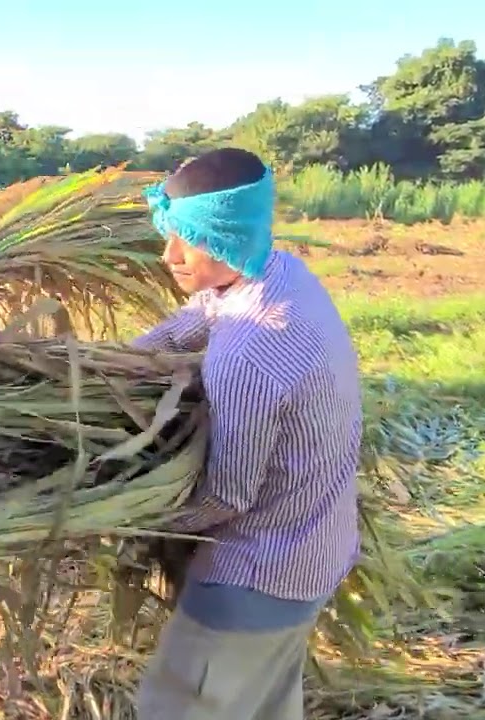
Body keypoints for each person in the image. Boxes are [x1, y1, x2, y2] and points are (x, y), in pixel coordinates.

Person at [130, 148, 361, 720]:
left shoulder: (248, 352)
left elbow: (226, 497)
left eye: (188, 239)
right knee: (262, 706)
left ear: (227, 237)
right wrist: (98, 367)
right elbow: (198, 317)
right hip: (314, 549)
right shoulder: (280, 274)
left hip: (255, 576)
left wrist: (130, 520)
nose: (169, 254)